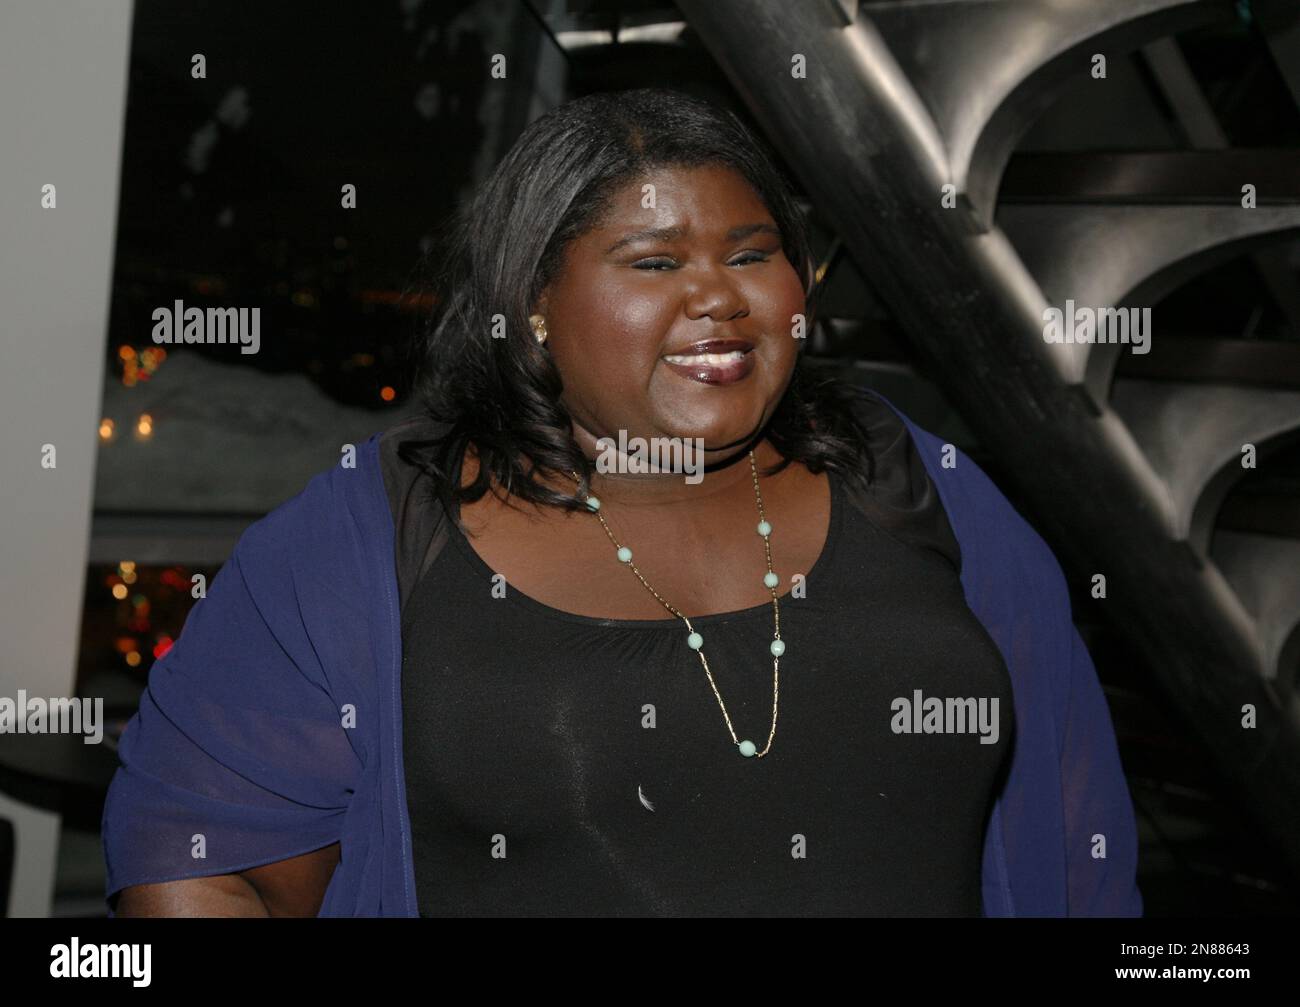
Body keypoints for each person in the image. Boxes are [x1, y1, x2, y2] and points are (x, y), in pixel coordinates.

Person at [103, 88, 1142, 917]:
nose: (719, 297)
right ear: (535, 307)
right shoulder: (376, 532)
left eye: (751, 254)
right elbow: (202, 854)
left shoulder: (910, 478)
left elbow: (1073, 821)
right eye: (654, 262)